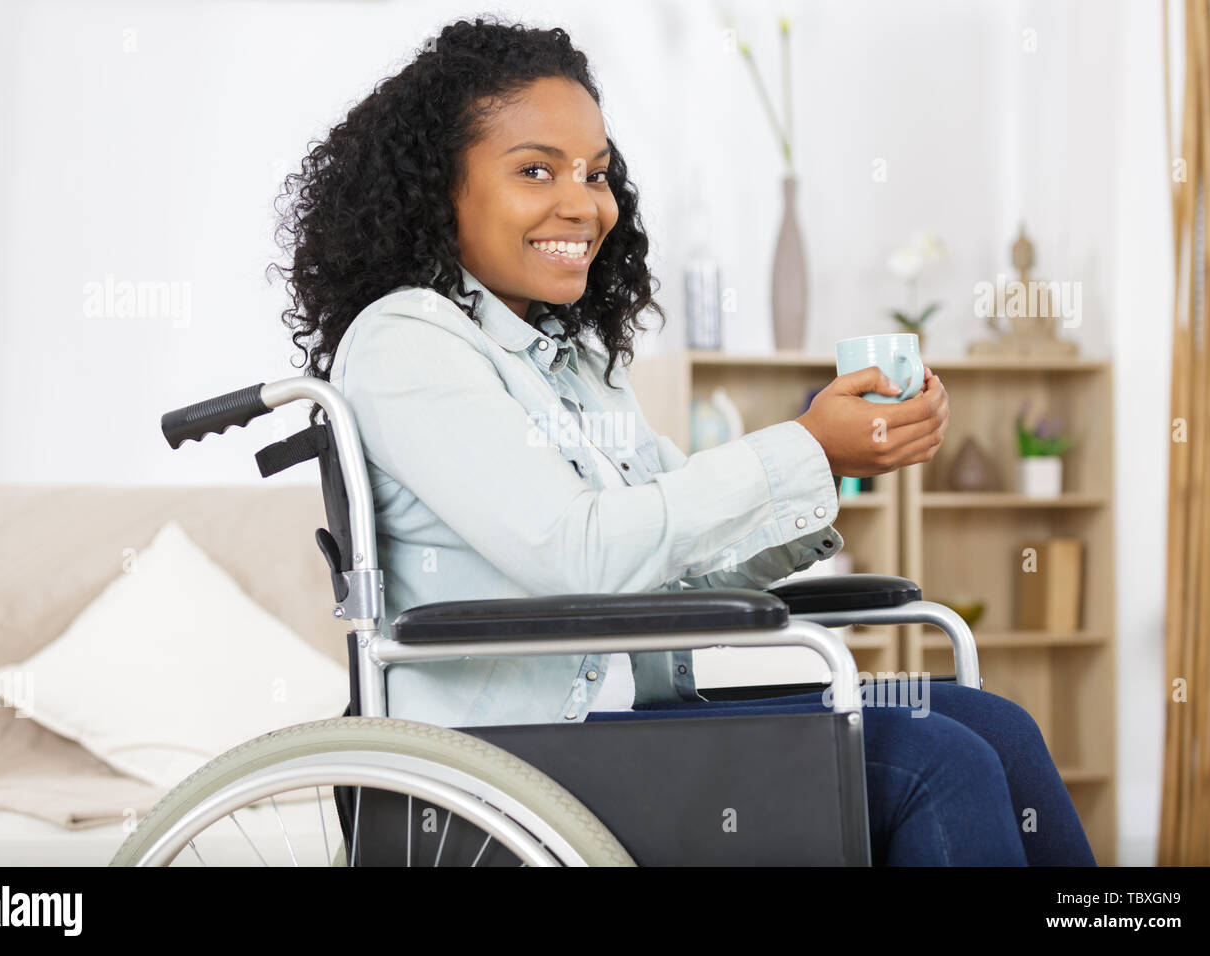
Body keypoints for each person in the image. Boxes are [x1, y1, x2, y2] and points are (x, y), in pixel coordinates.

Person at [272, 16, 1095, 866]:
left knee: (996, 726)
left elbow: (683, 564)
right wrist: (804, 447)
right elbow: (578, 557)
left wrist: (834, 463)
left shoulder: (574, 357)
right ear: (437, 192)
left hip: (625, 728)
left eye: (595, 173)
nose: (583, 203)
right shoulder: (408, 341)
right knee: (939, 762)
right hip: (512, 760)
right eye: (534, 171)